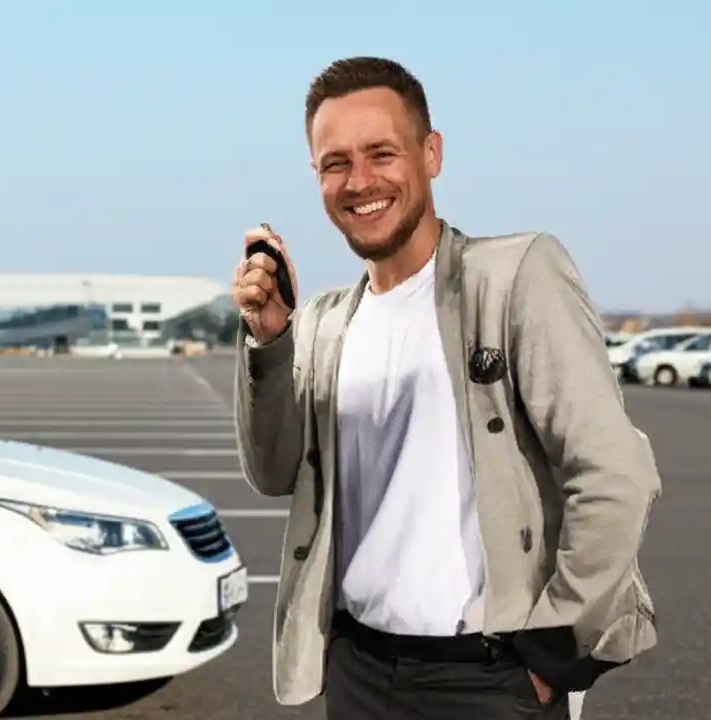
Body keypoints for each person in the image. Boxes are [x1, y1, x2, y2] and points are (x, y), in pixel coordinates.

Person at [231, 56, 662, 720]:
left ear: (431, 153)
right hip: (358, 671)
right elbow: (273, 470)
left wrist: (554, 650)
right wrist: (270, 340)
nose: (360, 181)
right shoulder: (322, 323)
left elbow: (614, 474)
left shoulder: (514, 278)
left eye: (382, 152)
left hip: (488, 679)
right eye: (335, 162)